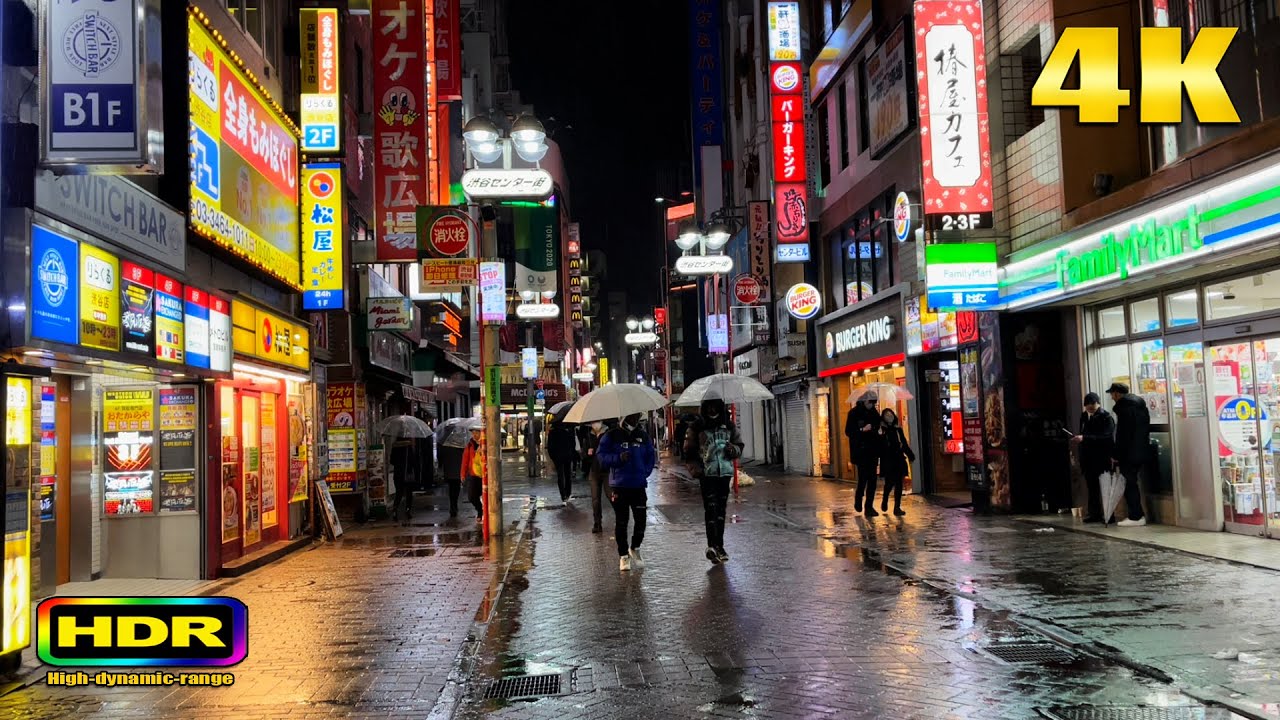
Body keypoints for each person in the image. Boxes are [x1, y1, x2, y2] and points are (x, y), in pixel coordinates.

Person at [685, 399, 743, 564]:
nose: (712, 410)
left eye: (714, 406)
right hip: (707, 474)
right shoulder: (697, 427)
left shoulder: (729, 426)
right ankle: (712, 545)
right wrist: (697, 470)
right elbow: (689, 451)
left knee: (721, 511)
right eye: (708, 407)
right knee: (710, 509)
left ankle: (720, 546)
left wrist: (733, 450)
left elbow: (739, 446)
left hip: (724, 473)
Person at [597, 413, 657, 571]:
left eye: (637, 416)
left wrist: (644, 472)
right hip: (619, 486)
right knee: (622, 522)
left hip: (638, 485)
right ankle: (623, 555)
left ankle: (635, 547)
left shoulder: (643, 435)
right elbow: (601, 457)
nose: (634, 420)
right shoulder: (611, 436)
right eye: (631, 417)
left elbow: (650, 456)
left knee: (641, 521)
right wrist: (618, 458)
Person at [1108, 382, 1150, 527]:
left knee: (1128, 483)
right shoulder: (1139, 405)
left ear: (1116, 393)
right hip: (1140, 450)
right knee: (1131, 482)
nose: (1112, 398)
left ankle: (1136, 516)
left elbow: (1123, 435)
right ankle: (1136, 515)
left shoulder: (1124, 408)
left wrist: (1115, 454)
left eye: (1112, 394)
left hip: (1129, 453)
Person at [1077, 392, 1116, 523]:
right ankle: (1094, 514)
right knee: (1092, 487)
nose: (1090, 407)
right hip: (1088, 458)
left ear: (1098, 403)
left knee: (1105, 486)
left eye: (1093, 404)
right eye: (1087, 405)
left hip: (1101, 457)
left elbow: (1107, 437)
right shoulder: (1084, 416)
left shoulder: (1106, 417)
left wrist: (1085, 438)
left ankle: (1109, 514)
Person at [844, 391, 884, 516]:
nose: (872, 405)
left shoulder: (874, 413)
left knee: (873, 480)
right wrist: (862, 429)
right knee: (863, 478)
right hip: (860, 451)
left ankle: (869, 507)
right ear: (864, 400)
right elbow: (848, 431)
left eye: (874, 403)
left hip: (873, 450)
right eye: (870, 402)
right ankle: (858, 499)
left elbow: (878, 426)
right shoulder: (854, 413)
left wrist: (878, 429)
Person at [877, 408, 914, 516]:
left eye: (891, 414)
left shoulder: (898, 429)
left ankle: (897, 507)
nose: (890, 416)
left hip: (899, 459)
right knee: (889, 483)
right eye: (887, 415)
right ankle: (885, 499)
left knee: (899, 483)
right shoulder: (881, 430)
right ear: (883, 417)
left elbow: (904, 443)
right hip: (888, 460)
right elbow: (879, 446)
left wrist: (910, 455)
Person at [582, 420, 612, 533]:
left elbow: (612, 451)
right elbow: (584, 455)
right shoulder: (589, 436)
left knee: (610, 495)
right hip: (594, 471)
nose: (595, 424)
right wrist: (587, 453)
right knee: (595, 499)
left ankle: (620, 517)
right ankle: (597, 523)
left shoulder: (608, 434)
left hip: (607, 471)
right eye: (593, 422)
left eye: (597, 422)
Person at [547, 419, 578, 503]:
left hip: (557, 457)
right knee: (568, 475)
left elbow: (550, 447)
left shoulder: (552, 433)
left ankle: (563, 496)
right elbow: (573, 444)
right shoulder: (568, 431)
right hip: (567, 456)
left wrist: (553, 457)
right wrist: (571, 454)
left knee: (560, 476)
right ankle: (568, 493)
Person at [459, 427, 486, 522]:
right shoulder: (470, 445)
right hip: (473, 474)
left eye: (476, 433)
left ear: (481, 433)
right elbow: (465, 460)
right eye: (473, 433)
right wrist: (462, 474)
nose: (474, 435)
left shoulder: (485, 444)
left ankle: (485, 513)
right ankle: (480, 510)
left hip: (484, 475)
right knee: (471, 496)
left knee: (486, 495)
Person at [389, 436, 415, 523]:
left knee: (398, 493)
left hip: (397, 474)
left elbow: (392, 461)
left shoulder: (395, 446)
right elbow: (412, 460)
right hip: (407, 474)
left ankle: (395, 510)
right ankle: (408, 510)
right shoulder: (408, 446)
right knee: (409, 493)